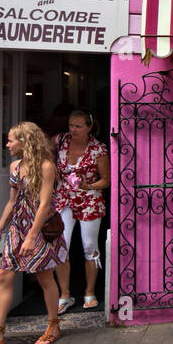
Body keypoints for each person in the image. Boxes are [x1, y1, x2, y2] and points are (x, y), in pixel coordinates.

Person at [0, 121, 69, 344]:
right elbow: (12, 202)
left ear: (25, 142)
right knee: (4, 274)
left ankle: (53, 324)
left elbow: (44, 204)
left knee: (44, 276)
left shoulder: (46, 166)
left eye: (11, 140)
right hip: (18, 226)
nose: (8, 144)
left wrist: (32, 236)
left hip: (40, 228)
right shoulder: (14, 166)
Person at [52, 110, 109, 312]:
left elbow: (106, 180)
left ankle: (90, 292)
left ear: (89, 127)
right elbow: (41, 152)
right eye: (71, 125)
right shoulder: (60, 141)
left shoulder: (98, 149)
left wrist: (89, 187)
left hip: (89, 201)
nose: (73, 130)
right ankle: (65, 294)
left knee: (89, 246)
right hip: (64, 199)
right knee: (62, 244)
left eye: (78, 126)